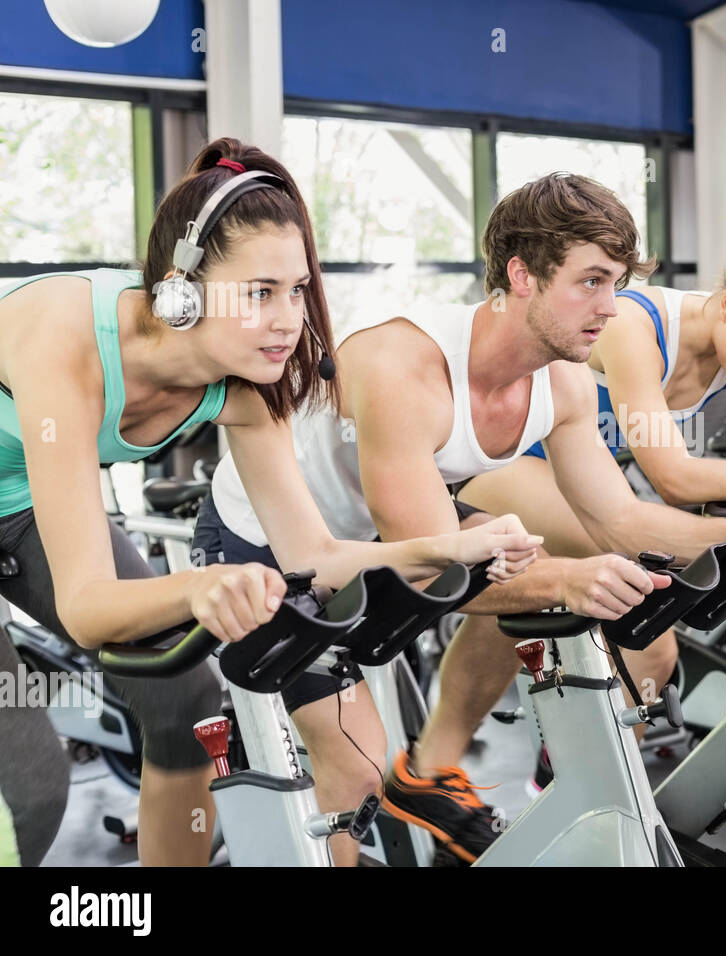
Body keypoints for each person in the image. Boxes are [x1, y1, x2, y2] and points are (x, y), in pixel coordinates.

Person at [201, 172, 726, 864]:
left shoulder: (562, 383)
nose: (610, 307)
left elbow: (620, 520)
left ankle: (430, 770)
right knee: (354, 764)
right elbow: (433, 568)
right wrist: (567, 582)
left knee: (524, 558)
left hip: (374, 536)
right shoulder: (405, 366)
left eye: (617, 283)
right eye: (591, 281)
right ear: (521, 274)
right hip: (264, 538)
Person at [0, 138, 538, 867]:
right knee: (26, 790)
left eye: (296, 289)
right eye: (260, 292)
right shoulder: (66, 340)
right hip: (25, 496)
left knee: (183, 704)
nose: (289, 319)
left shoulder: (249, 388)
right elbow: (89, 608)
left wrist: (445, 545)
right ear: (180, 288)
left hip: (19, 502)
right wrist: (201, 584)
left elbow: (311, 556)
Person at [458, 226, 726, 709]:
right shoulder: (635, 325)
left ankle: (446, 760)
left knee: (511, 607)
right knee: (644, 617)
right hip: (512, 465)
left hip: (583, 480)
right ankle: (579, 765)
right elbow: (674, 479)